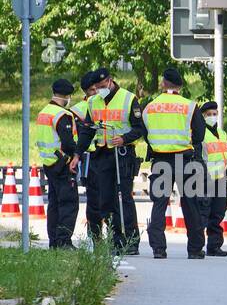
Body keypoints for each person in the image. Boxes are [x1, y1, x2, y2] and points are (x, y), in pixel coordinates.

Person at [142, 67, 206, 259]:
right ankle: (194, 249)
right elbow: (200, 134)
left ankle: (158, 249)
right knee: (191, 204)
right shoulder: (189, 106)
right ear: (180, 86)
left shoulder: (150, 106)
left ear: (163, 83)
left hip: (161, 160)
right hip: (185, 160)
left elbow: (145, 134)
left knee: (160, 204)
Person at [85, 68, 145, 253]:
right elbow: (88, 130)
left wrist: (124, 138)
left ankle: (131, 241)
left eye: (102, 86)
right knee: (106, 200)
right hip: (102, 155)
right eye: (96, 87)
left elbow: (140, 129)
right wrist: (78, 153)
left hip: (122, 154)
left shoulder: (128, 99)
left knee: (123, 198)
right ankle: (115, 240)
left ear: (110, 81)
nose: (99, 90)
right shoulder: (93, 101)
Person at [33, 78, 80, 249]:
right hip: (63, 164)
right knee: (68, 204)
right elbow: (68, 143)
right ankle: (64, 242)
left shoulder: (44, 112)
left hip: (49, 164)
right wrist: (77, 153)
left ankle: (54, 241)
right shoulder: (62, 115)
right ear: (67, 96)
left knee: (54, 204)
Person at [69, 72, 101, 242]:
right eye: (92, 90)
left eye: (98, 88)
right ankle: (95, 236)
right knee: (94, 199)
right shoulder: (77, 111)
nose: (96, 92)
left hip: (105, 154)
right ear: (85, 91)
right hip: (89, 157)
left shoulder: (104, 105)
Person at [198, 101, 227, 257]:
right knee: (203, 213)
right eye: (209, 114)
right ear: (203, 117)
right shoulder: (200, 133)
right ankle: (197, 245)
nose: (212, 116)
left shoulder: (222, 133)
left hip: (221, 179)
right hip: (206, 179)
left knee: (218, 213)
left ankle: (214, 245)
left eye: (214, 113)